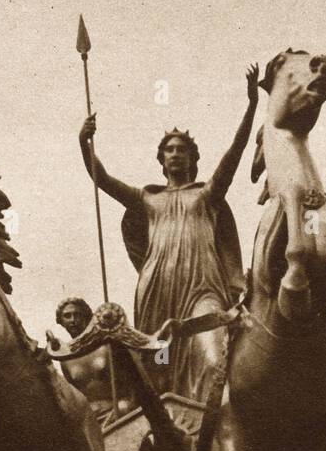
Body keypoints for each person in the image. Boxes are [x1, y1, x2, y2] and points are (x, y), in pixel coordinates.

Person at [78, 65, 259, 403]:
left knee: (212, 353)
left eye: (182, 150)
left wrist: (250, 106)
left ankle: (211, 425)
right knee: (158, 364)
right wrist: (84, 141)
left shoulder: (207, 195)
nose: (176, 154)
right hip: (157, 291)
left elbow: (234, 155)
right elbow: (101, 178)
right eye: (170, 150)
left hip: (202, 288)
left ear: (193, 159)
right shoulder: (147, 199)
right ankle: (165, 432)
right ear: (161, 160)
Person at [46, 297, 139, 425]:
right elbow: (76, 396)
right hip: (91, 419)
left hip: (120, 411)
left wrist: (124, 405)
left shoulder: (106, 345)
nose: (73, 320)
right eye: (67, 316)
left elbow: (133, 382)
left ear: (86, 316)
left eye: (77, 315)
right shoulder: (65, 359)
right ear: (61, 321)